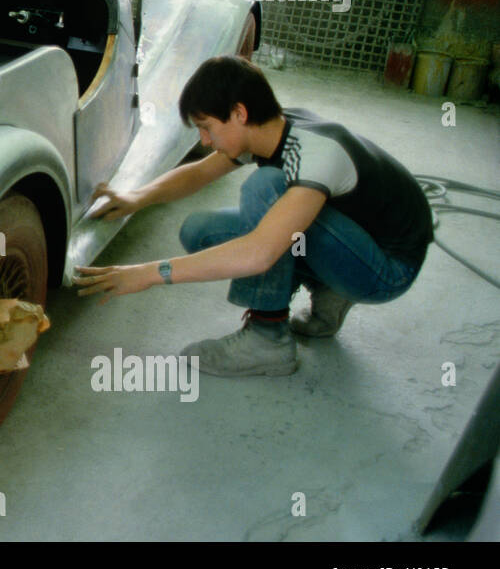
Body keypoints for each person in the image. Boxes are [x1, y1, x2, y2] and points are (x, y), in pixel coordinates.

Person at [73, 55, 433, 376]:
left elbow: (259, 253)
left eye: (207, 127)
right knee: (201, 231)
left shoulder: (313, 153)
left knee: (266, 187)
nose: (205, 140)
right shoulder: (270, 130)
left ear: (239, 113)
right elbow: (199, 173)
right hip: (356, 240)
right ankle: (328, 286)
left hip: (387, 270)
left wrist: (150, 273)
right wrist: (137, 197)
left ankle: (267, 337)